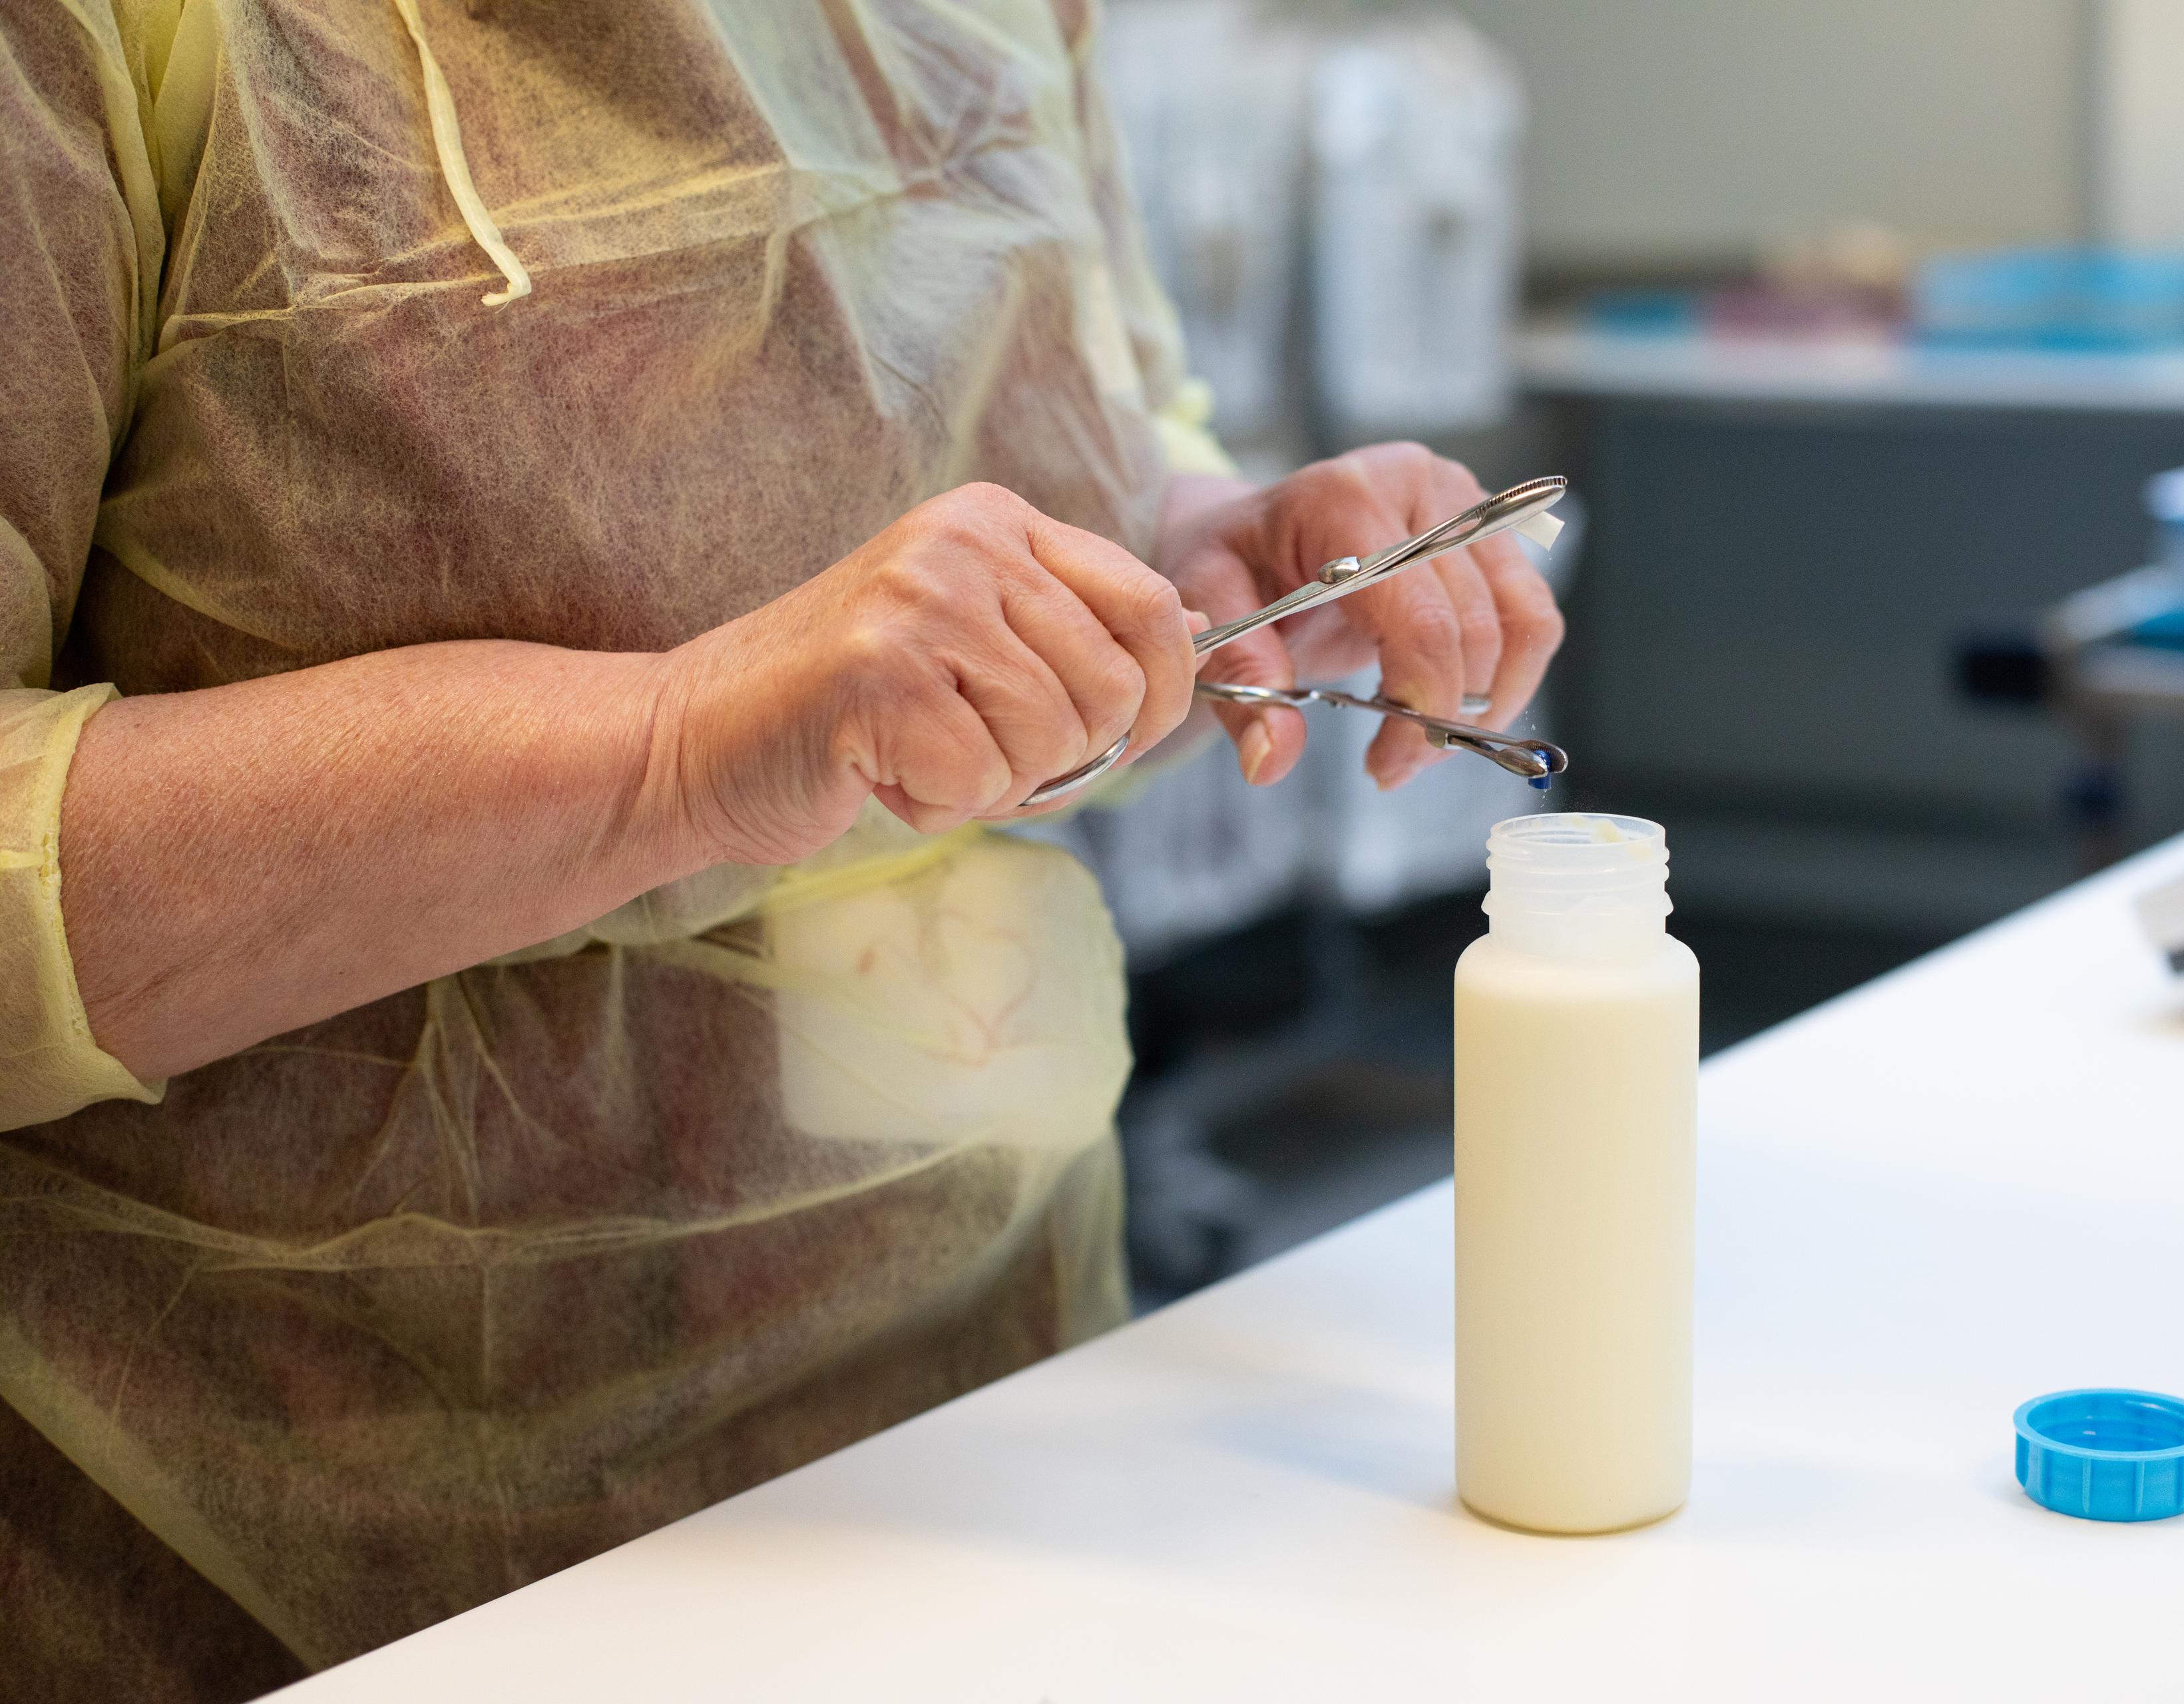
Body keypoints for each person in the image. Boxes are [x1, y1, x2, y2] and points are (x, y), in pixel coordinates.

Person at [0, 1, 1562, 1699]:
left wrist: (1206, 556)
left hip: (992, 1422)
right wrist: (682, 746)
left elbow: (1015, 453)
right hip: (333, 1539)